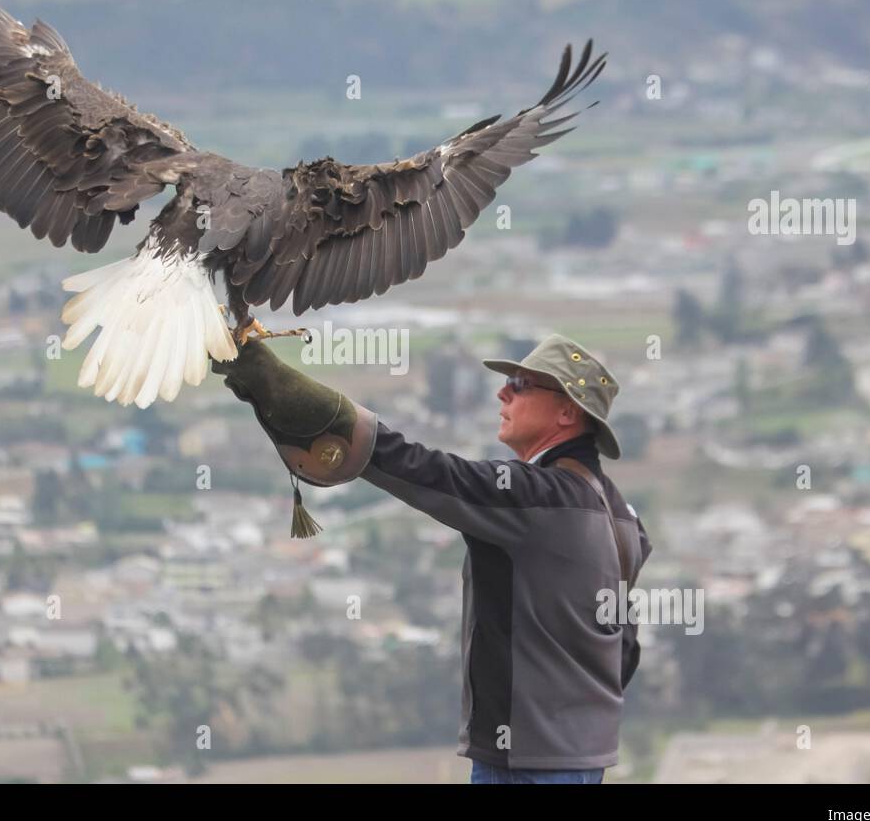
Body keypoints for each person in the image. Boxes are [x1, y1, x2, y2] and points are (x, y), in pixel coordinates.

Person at [214, 334, 652, 784]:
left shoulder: (539, 498)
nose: (503, 392)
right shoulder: (620, 517)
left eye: (521, 384)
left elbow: (426, 470)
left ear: (567, 412)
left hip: (525, 764)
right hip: (568, 759)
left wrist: (295, 397)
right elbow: (623, 650)